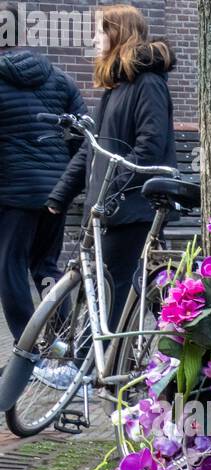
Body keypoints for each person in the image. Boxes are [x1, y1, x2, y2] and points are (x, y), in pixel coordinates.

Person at [46, 4, 176, 337]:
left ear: (118, 33)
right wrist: (60, 195)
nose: (95, 39)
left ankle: (93, 366)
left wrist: (114, 189)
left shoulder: (148, 83)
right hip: (110, 206)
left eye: (100, 31)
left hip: (132, 208)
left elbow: (149, 145)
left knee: (115, 288)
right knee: (123, 287)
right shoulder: (115, 88)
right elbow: (93, 148)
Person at [0, 45, 85, 343]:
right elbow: (82, 136)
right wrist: (67, 182)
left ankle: (27, 348)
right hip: (55, 192)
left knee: (9, 268)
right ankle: (59, 340)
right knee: (46, 266)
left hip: (13, 194)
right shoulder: (60, 79)